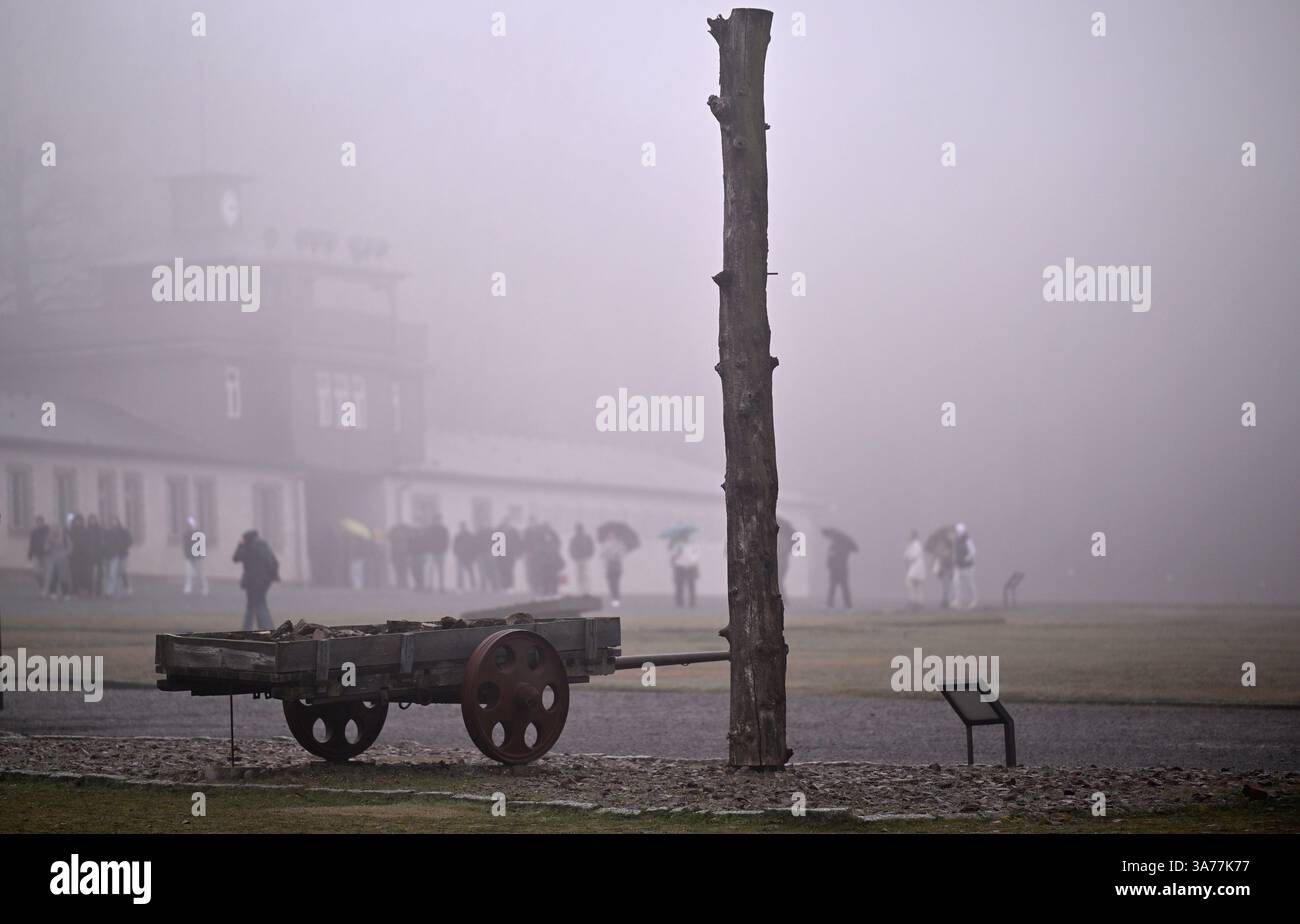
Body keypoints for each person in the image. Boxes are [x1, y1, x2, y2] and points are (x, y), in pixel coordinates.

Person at [233, 529, 279, 630]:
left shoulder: (249, 547)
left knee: (256, 605)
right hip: (265, 581)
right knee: (256, 604)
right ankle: (262, 627)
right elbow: (273, 561)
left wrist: (240, 545)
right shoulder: (264, 546)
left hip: (253, 582)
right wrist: (274, 576)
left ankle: (262, 628)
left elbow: (236, 558)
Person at [669, 535, 701, 608]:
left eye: (686, 537)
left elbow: (697, 555)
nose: (685, 538)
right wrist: (677, 553)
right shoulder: (677, 545)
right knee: (679, 585)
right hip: (680, 567)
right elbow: (672, 556)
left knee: (691, 585)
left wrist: (692, 561)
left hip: (691, 567)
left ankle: (692, 602)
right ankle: (680, 602)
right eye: (684, 537)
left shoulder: (693, 545)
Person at [105, 516, 132, 597]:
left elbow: (129, 541)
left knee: (122, 572)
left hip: (122, 554)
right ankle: (110, 591)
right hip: (114, 555)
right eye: (113, 521)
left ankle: (127, 587)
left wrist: (124, 546)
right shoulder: (109, 532)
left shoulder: (123, 531)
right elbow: (107, 543)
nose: (114, 523)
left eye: (115, 521)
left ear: (118, 522)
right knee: (112, 573)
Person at [953, 522, 977, 610]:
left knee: (970, 584)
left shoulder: (968, 540)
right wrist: (955, 559)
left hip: (968, 567)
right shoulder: (955, 541)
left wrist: (966, 559)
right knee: (956, 583)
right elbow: (955, 552)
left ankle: (974, 600)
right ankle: (957, 600)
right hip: (958, 566)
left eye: (958, 531)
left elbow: (973, 552)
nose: (957, 533)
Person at [183, 515, 209, 595]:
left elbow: (202, 545)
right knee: (189, 573)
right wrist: (186, 554)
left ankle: (204, 588)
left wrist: (200, 555)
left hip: (197, 556)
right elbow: (186, 545)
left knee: (200, 573)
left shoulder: (199, 534)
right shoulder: (187, 534)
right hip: (189, 556)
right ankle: (188, 587)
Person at [826, 538, 854, 609]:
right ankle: (848, 604)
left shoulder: (833, 547)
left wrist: (829, 565)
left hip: (835, 571)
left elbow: (830, 559)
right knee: (845, 588)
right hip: (843, 571)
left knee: (832, 588)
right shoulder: (846, 548)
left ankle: (830, 603)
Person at [45, 523, 71, 599]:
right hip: (52, 559)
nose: (55, 530)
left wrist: (66, 553)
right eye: (54, 528)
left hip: (63, 559)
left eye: (57, 528)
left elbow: (70, 546)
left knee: (63, 576)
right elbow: (46, 547)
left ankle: (65, 593)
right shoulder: (49, 537)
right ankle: (53, 593)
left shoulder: (64, 537)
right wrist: (47, 548)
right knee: (53, 576)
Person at [424, 514, 449, 592]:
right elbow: (426, 540)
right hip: (432, 552)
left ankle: (441, 586)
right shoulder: (430, 529)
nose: (438, 521)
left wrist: (444, 549)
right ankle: (429, 586)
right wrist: (428, 549)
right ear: (434, 520)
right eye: (437, 520)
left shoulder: (444, 529)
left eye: (439, 519)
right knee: (430, 569)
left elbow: (447, 540)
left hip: (441, 552)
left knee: (441, 570)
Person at [599, 534, 626, 608]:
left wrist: (615, 556)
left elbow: (622, 554)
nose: (611, 538)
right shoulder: (606, 545)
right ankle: (614, 598)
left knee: (615, 583)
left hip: (615, 566)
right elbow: (602, 555)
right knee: (612, 583)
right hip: (610, 566)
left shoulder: (619, 545)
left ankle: (616, 599)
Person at [568, 523, 594, 594]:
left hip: (581, 558)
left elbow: (571, 549)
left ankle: (583, 590)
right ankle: (585, 590)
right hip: (582, 558)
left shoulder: (575, 538)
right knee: (584, 575)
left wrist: (574, 556)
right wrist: (589, 555)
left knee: (581, 575)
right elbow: (591, 547)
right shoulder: (586, 537)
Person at [903, 529, 926, 610]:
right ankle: (917, 601)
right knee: (915, 584)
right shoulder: (911, 544)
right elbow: (906, 554)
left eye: (910, 535)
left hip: (916, 565)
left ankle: (915, 601)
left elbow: (914, 555)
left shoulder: (917, 545)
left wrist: (908, 557)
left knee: (911, 582)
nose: (909, 537)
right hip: (915, 566)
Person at [453, 522, 477, 591]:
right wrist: (456, 554)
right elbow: (454, 546)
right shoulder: (457, 536)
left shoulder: (470, 535)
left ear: (465, 527)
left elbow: (474, 546)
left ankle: (473, 586)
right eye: (461, 527)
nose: (462, 528)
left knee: (471, 572)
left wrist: (473, 557)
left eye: (463, 527)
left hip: (468, 557)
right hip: (460, 557)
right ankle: (460, 587)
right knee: (460, 573)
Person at [27, 515, 49, 590]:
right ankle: (42, 584)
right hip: (36, 554)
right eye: (38, 522)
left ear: (43, 522)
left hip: (45, 554)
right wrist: (29, 553)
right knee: (36, 572)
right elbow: (31, 543)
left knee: (45, 572)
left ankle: (45, 588)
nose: (39, 524)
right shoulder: (34, 532)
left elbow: (49, 541)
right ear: (36, 523)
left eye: (41, 522)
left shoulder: (47, 531)